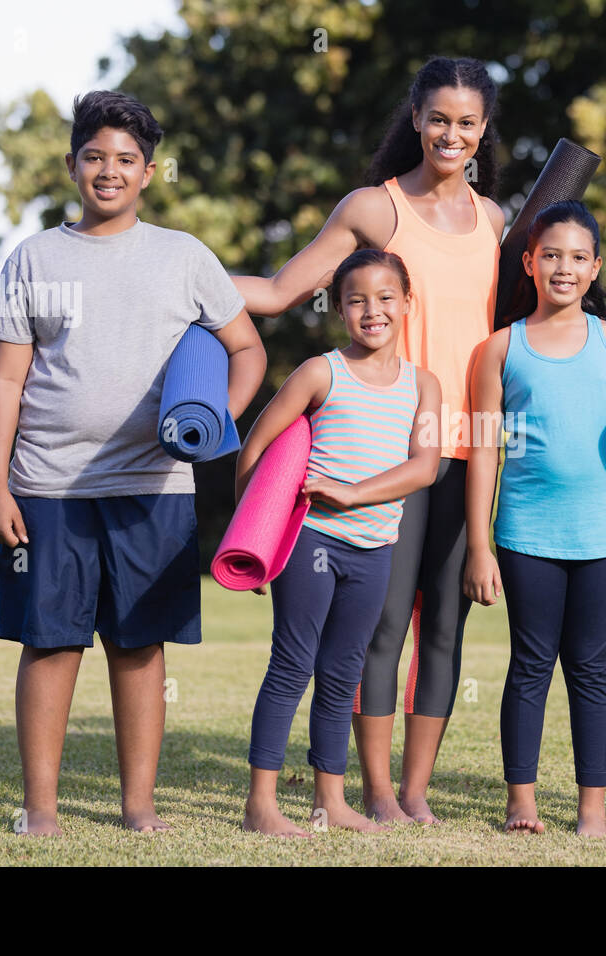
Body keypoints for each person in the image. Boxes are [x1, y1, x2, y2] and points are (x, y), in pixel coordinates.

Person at [0, 90, 266, 836]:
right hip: (46, 486)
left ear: (147, 173)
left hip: (153, 487)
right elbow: (6, 379)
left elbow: (248, 349)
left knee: (139, 648)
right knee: (49, 644)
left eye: (127, 160)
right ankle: (39, 808)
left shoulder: (184, 257)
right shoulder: (34, 257)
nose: (110, 170)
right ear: (73, 163)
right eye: (96, 156)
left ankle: (137, 806)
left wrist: (213, 422)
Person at [231, 57, 504, 825]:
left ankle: (414, 790)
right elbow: (283, 291)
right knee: (382, 624)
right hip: (389, 452)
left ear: (484, 131)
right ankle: (374, 789)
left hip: (469, 445)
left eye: (468, 122)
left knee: (445, 626)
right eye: (439, 118)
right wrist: (179, 278)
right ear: (416, 118)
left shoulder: (495, 221)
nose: (452, 133)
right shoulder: (374, 210)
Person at [464, 201, 606, 837]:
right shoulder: (499, 350)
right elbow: (482, 453)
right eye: (551, 255)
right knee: (530, 663)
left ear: (595, 269)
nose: (564, 267)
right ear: (529, 263)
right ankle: (522, 804)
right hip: (526, 534)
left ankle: (593, 809)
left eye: (578, 257)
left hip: (604, 535)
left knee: (590, 666)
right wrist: (480, 545)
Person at [237, 249, 441, 837]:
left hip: (375, 547)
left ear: (407, 304)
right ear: (339, 309)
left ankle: (331, 800)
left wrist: (351, 494)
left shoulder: (424, 386)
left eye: (385, 298)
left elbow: (425, 467)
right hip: (312, 544)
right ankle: (261, 805)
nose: (371, 310)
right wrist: (253, 542)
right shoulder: (320, 373)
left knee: (343, 671)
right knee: (292, 664)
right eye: (356, 300)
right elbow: (256, 448)